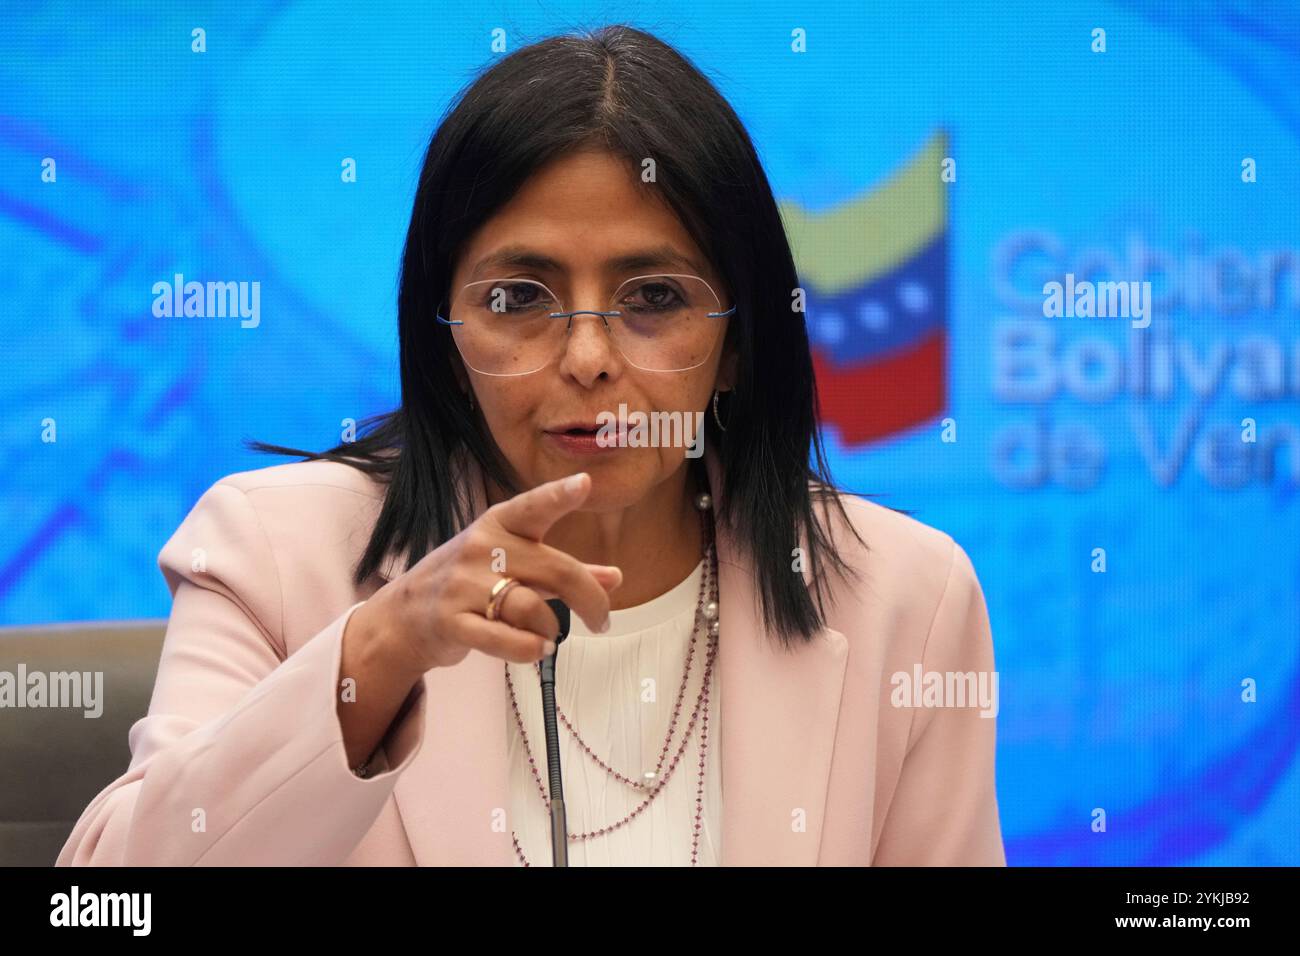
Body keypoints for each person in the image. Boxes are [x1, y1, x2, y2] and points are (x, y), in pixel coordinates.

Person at [57, 24, 1005, 867]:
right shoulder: (272, 557)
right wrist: (377, 655)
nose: (588, 358)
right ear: (444, 335)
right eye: (518, 298)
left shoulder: (905, 600)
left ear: (737, 347)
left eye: (654, 298)